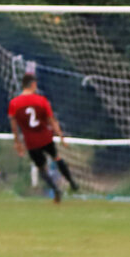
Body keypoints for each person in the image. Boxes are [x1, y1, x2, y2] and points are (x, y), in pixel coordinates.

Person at [8, 73, 78, 203]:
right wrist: (61, 137)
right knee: (57, 157)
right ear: (33, 84)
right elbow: (52, 120)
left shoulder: (14, 103)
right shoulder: (41, 100)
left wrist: (17, 142)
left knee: (42, 168)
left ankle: (55, 188)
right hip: (45, 137)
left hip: (31, 142)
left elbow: (14, 125)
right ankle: (71, 181)